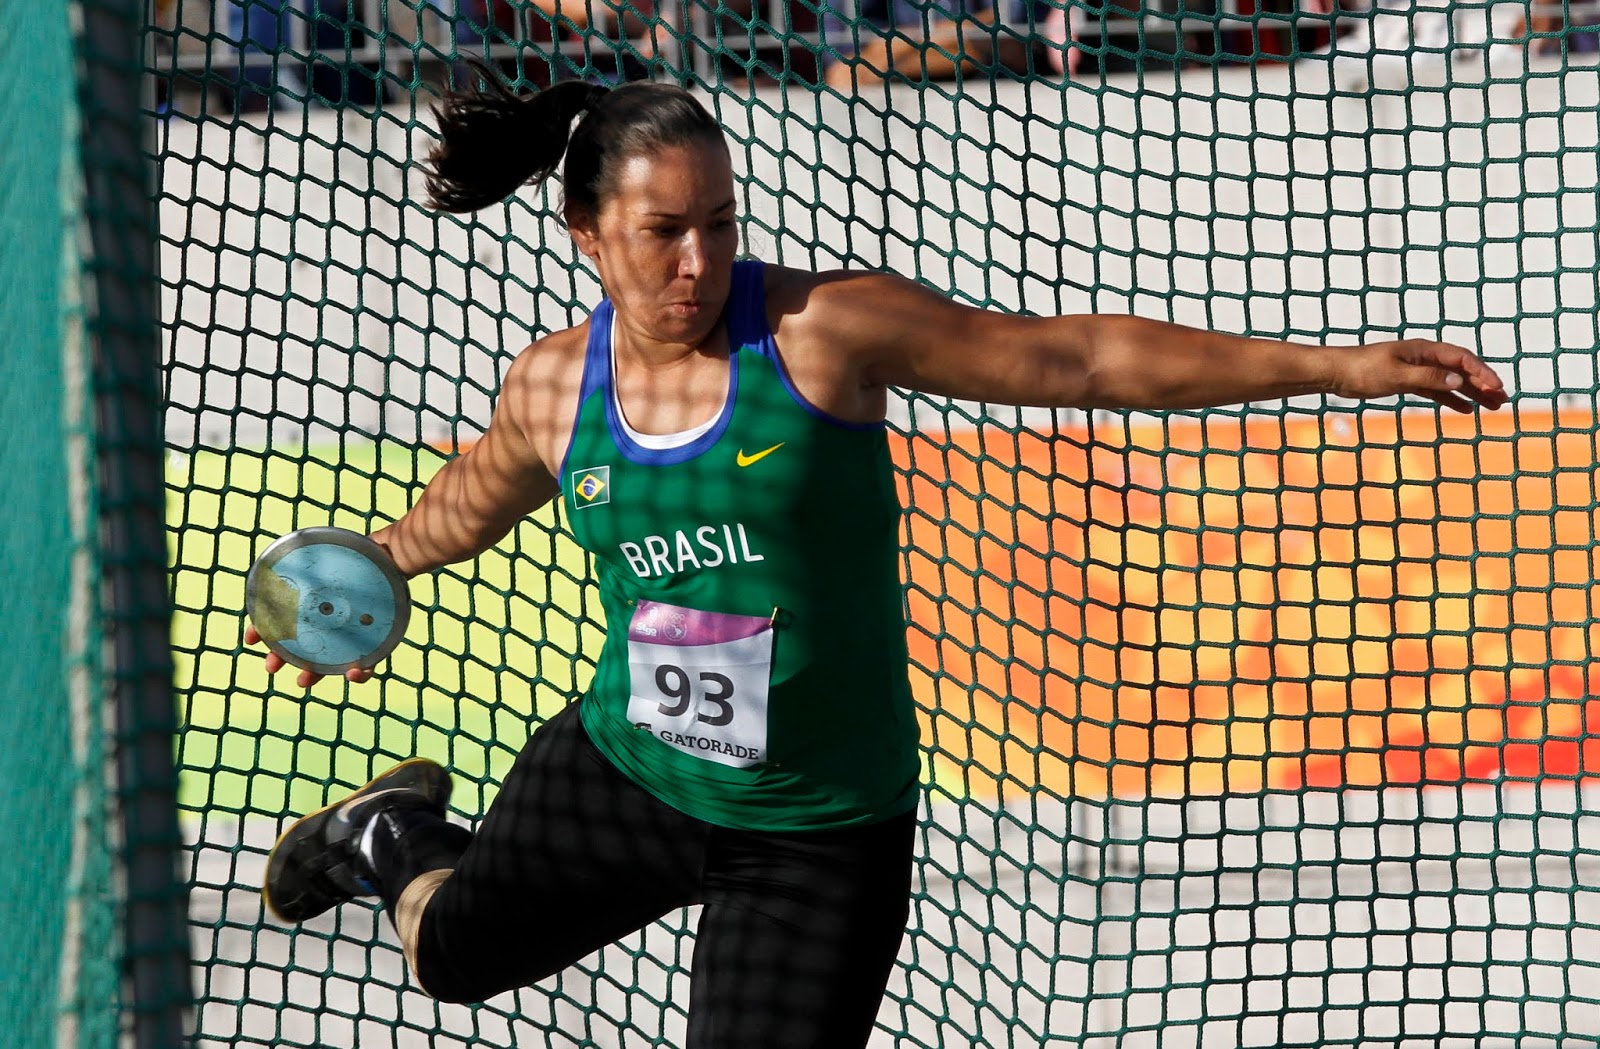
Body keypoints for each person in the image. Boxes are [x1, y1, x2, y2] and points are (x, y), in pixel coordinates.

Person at [245, 63, 1507, 1047]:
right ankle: (392, 834)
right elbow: (471, 495)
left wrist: (1340, 366)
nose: (700, 260)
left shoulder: (821, 335)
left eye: (720, 224)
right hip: (630, 772)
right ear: (586, 230)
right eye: (663, 231)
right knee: (448, 958)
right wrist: (368, 574)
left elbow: (1075, 361)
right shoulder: (553, 387)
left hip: (817, 832)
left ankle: (394, 833)